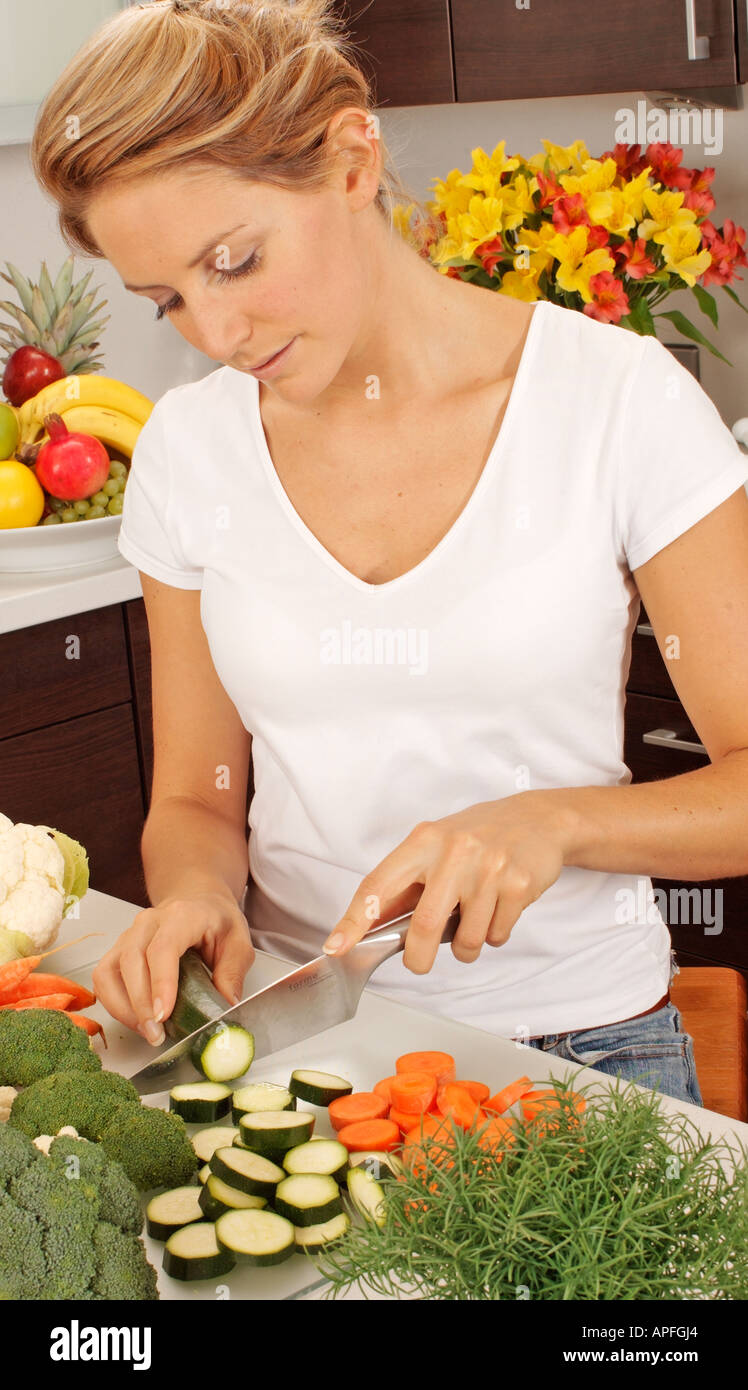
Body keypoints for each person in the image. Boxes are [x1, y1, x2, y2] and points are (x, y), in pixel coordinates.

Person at [31, 0, 748, 1108]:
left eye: (235, 260)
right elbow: (196, 799)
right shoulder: (189, 448)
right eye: (169, 297)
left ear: (352, 158)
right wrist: (194, 898)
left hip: (581, 1049)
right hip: (302, 1041)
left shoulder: (615, 402)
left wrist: (554, 821)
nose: (216, 334)